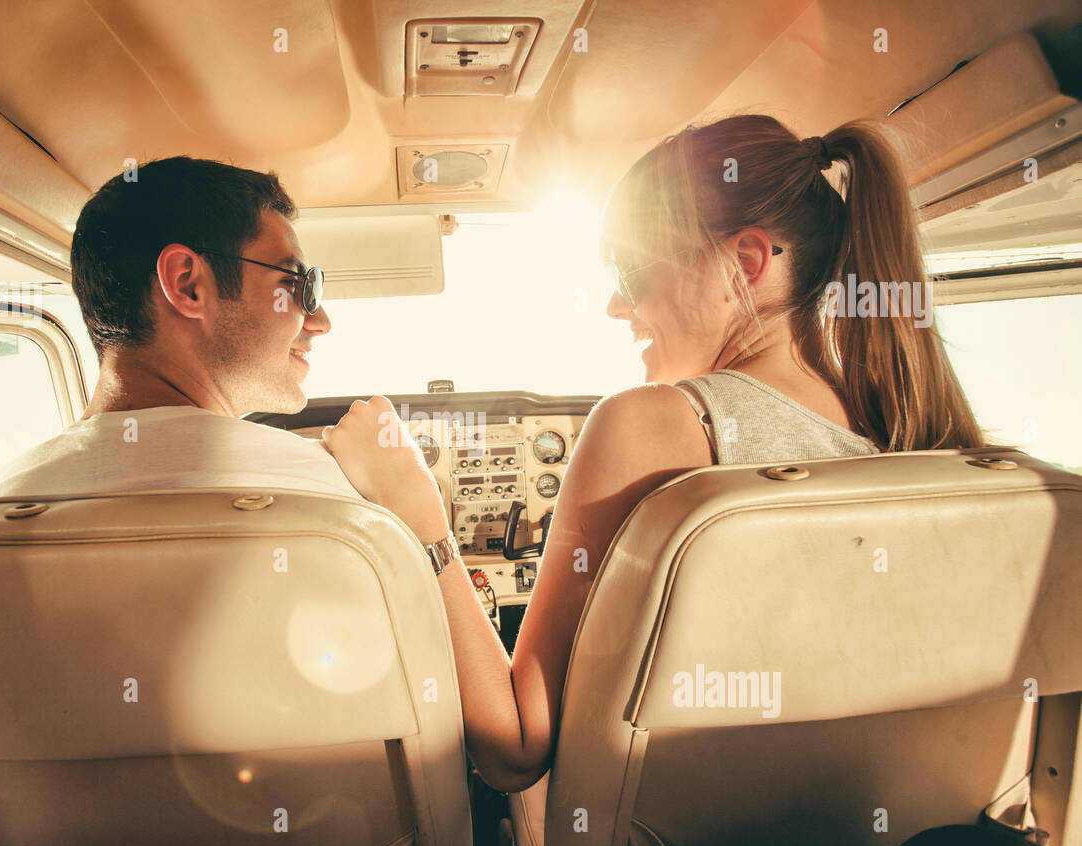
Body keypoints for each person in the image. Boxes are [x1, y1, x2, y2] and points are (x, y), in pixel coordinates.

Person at [320, 114, 984, 793]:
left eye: (633, 270)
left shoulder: (652, 427)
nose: (616, 305)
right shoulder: (921, 435)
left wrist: (417, 515)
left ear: (746, 264)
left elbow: (514, 748)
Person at [0, 156, 354, 502]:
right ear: (187, 284)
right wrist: (408, 497)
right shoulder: (325, 487)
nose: (321, 322)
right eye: (295, 283)